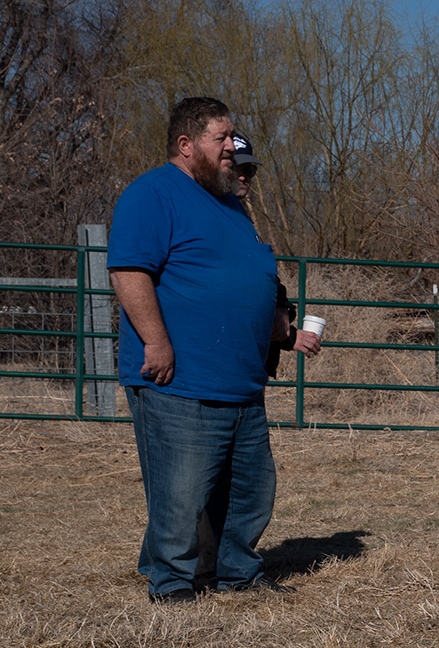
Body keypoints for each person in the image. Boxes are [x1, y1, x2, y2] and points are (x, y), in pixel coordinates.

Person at [109, 97, 293, 603]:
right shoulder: (153, 194)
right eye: (222, 138)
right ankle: (172, 583)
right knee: (181, 493)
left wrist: (273, 315)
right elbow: (129, 271)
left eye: (234, 137)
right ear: (187, 145)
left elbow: (246, 270)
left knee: (250, 492)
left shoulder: (229, 202)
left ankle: (238, 572)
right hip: (180, 378)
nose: (233, 147)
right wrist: (156, 341)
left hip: (240, 380)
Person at [192, 131, 322, 593]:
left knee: (246, 478)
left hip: (246, 371)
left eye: (250, 169)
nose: (244, 175)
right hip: (209, 372)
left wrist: (285, 334)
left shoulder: (240, 216)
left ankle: (232, 569)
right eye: (236, 165)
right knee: (205, 478)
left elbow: (258, 289)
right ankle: (195, 570)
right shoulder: (204, 211)